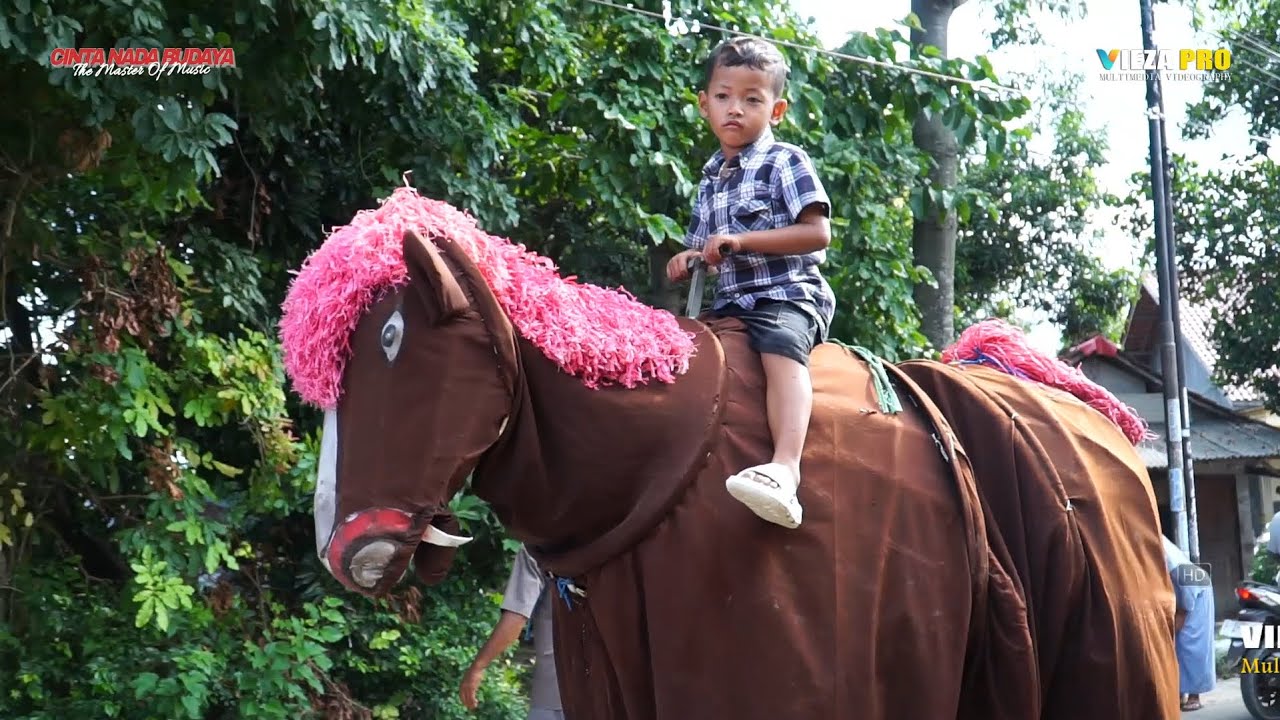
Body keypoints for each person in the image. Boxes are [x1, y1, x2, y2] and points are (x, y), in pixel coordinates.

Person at [666, 36, 833, 530]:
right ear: (704, 104)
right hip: (730, 305)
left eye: (752, 99)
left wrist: (742, 240)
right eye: (723, 96)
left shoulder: (785, 161)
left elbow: (817, 233)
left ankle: (785, 468)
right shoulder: (710, 178)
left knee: (778, 344)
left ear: (776, 109)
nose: (735, 109)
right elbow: (705, 249)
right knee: (681, 358)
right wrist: (688, 258)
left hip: (787, 295)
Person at [460, 545, 562, 719]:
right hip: (613, 693)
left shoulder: (540, 542)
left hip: (555, 695)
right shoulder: (620, 539)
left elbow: (516, 616)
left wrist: (478, 667)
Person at [1162, 535, 1215, 712]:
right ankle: (1178, 692)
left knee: (1193, 645)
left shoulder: (1172, 561)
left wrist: (1178, 620)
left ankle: (1194, 695)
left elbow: (1186, 599)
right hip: (1184, 592)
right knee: (1178, 647)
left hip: (1197, 592)